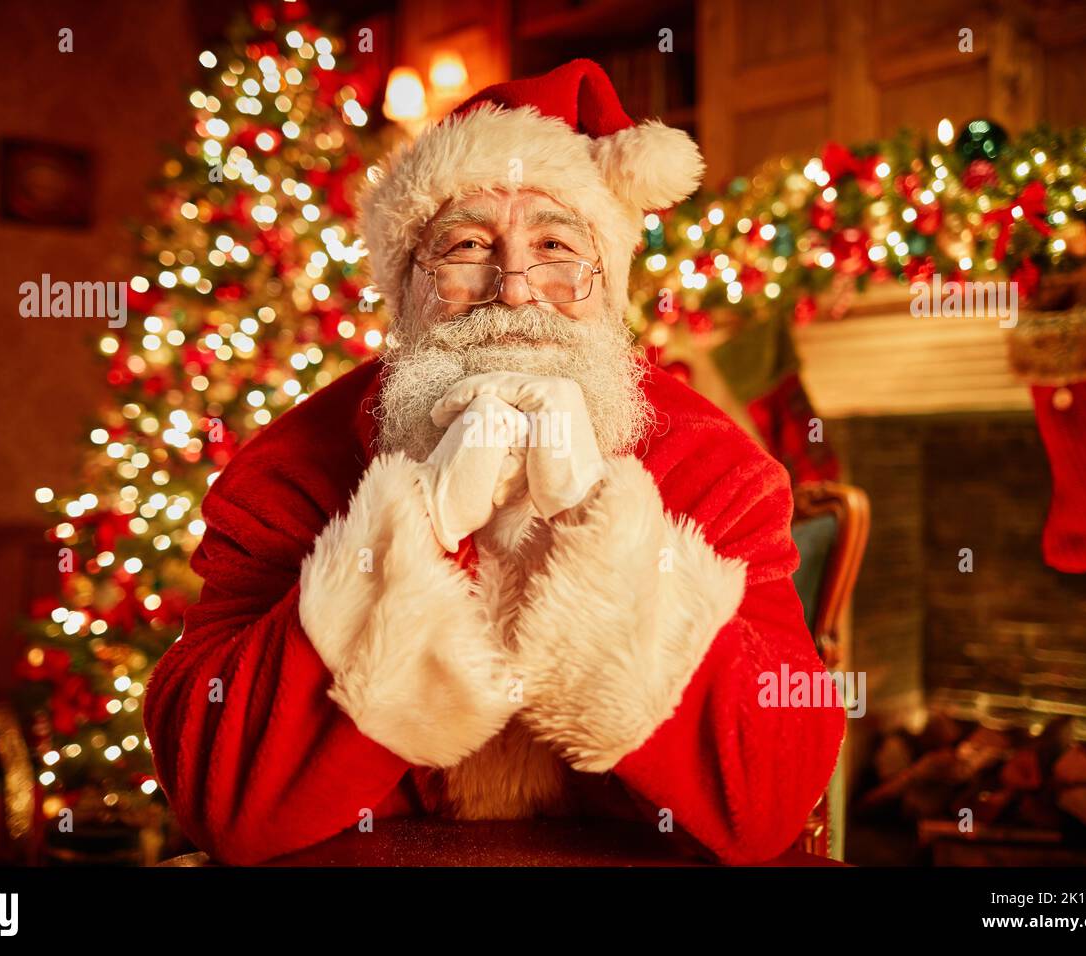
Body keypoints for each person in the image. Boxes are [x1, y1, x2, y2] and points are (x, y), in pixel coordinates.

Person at [143, 58, 845, 866]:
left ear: (607, 285)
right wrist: (419, 523)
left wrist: (596, 524)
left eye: (554, 243)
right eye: (468, 244)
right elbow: (219, 798)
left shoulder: (716, 465)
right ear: (406, 289)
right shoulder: (288, 468)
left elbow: (769, 802)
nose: (513, 288)